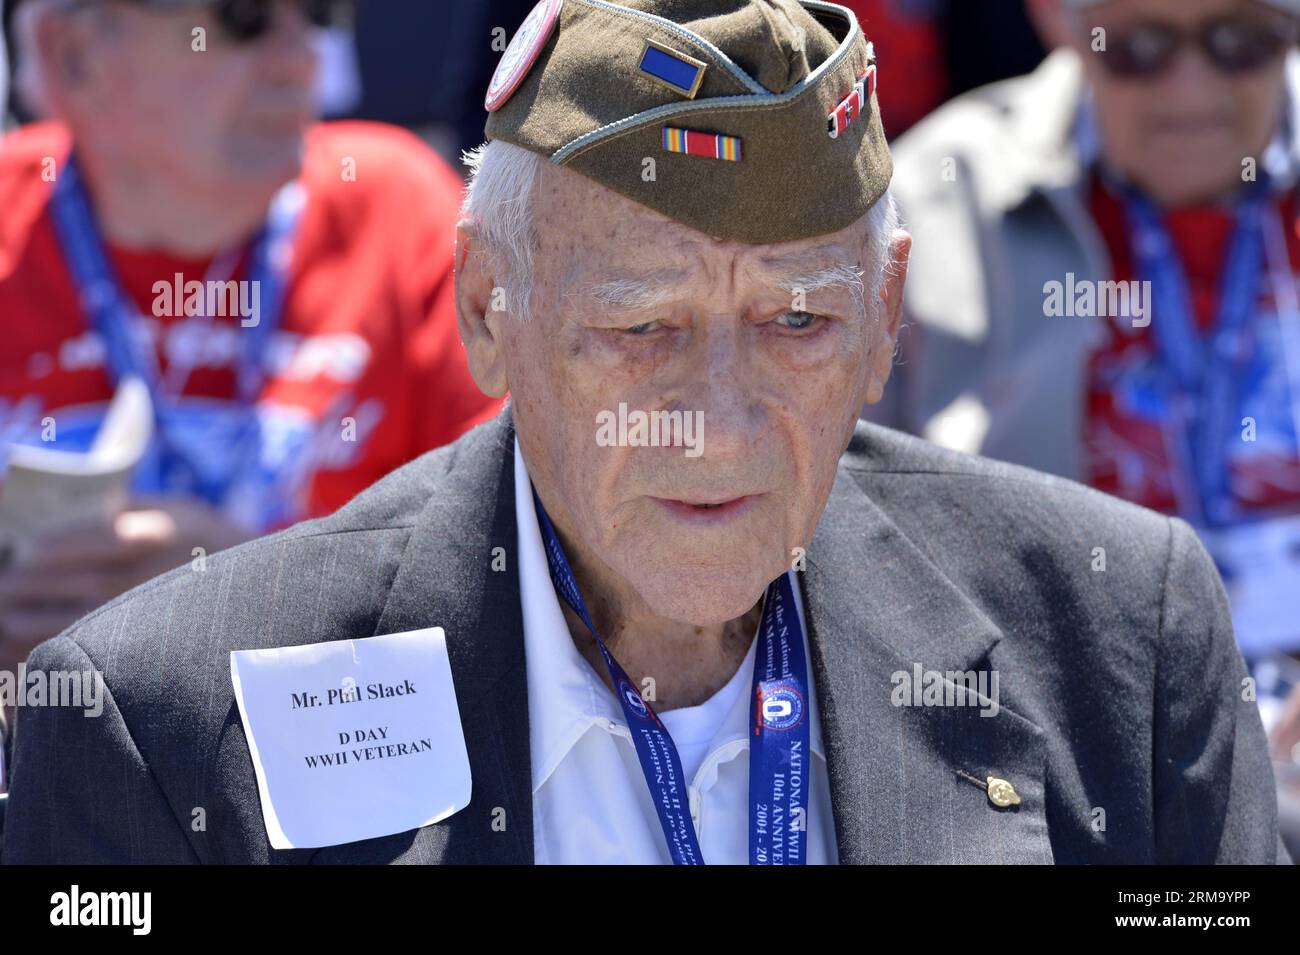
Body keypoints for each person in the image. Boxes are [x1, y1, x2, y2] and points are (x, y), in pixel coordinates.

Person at [1, 0, 1287, 864]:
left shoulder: (1129, 640)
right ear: (486, 311)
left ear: (887, 313)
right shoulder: (159, 728)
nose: (718, 426)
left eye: (798, 323)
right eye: (640, 328)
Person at [871, 0, 1300, 857]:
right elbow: (845, 534)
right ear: (1061, 20)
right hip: (1062, 761)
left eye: (1241, 41)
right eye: (1139, 47)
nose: (1192, 86)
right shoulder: (929, 197)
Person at [0, 0, 503, 678]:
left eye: (319, 16)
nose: (305, 62)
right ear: (73, 55)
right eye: (242, 18)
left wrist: (248, 597)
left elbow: (518, 572)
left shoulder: (405, 217)